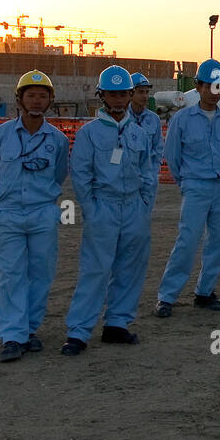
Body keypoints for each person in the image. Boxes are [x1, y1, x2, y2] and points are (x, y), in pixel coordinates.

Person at [62, 66, 157, 355]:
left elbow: (148, 172)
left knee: (131, 267)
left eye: (123, 94)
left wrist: (144, 206)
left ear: (130, 95)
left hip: (133, 208)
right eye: (112, 94)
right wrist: (92, 209)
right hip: (104, 206)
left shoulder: (139, 134)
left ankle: (117, 324)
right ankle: (78, 332)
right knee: (95, 270)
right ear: (102, 96)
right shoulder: (89, 133)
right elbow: (80, 174)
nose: (118, 100)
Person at [0, 71, 68, 362]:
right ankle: (12, 336)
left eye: (42, 95)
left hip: (42, 214)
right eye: (30, 94)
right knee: (10, 276)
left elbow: (59, 175)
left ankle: (29, 329)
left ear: (50, 101)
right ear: (19, 99)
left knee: (41, 274)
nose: (36, 100)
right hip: (7, 214)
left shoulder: (56, 140)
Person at [154, 59, 220, 317]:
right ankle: (167, 296)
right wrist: (187, 183)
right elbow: (172, 156)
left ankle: (205, 292)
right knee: (187, 241)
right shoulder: (182, 120)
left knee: (218, 242)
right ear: (198, 86)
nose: (214, 92)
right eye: (209, 86)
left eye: (219, 87)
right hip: (196, 187)